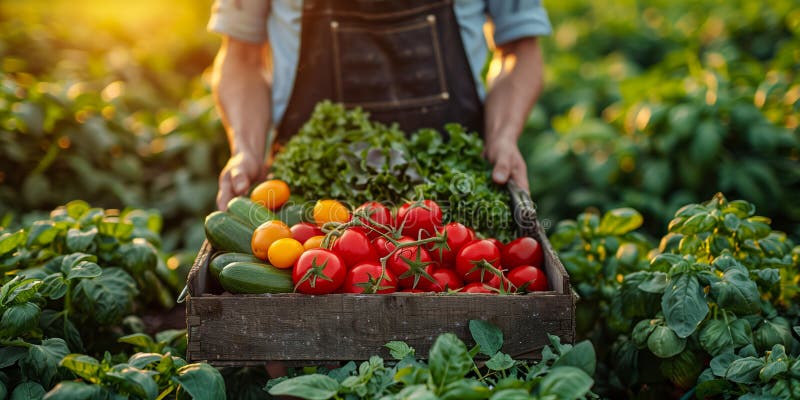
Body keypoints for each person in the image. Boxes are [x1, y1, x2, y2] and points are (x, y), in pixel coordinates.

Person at [208, 0, 551, 211]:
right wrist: (246, 149)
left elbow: (520, 49)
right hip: (307, 209)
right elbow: (242, 57)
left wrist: (503, 137)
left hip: (452, 194)